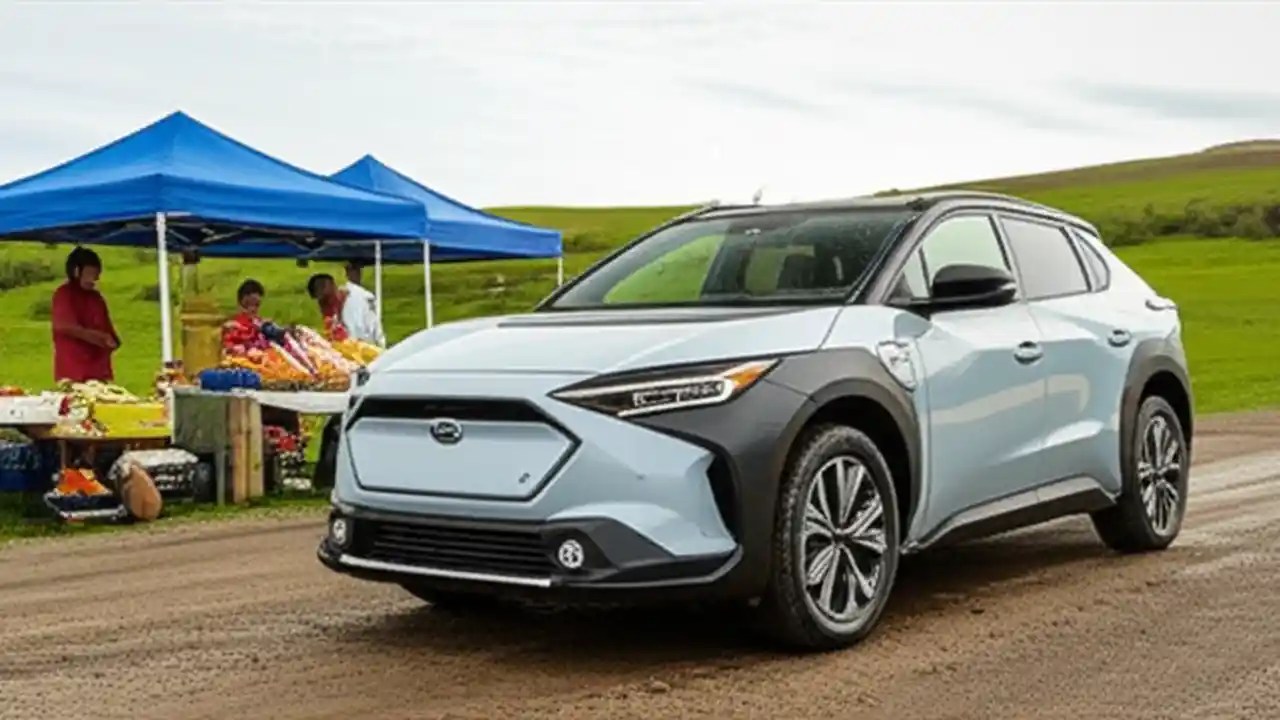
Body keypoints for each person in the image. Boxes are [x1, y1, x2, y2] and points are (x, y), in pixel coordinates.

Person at [51, 247, 120, 383]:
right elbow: (63, 325)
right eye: (90, 274)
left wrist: (111, 341)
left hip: (99, 371)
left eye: (96, 275)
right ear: (76, 271)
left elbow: (108, 332)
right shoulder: (64, 294)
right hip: (74, 371)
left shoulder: (96, 298)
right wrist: (97, 337)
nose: (94, 279)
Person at [341, 261, 386, 347]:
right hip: (356, 343)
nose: (357, 273)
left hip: (360, 342)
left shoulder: (367, 296)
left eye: (358, 270)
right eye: (354, 270)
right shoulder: (343, 294)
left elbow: (374, 322)